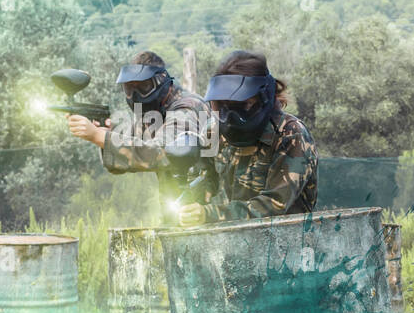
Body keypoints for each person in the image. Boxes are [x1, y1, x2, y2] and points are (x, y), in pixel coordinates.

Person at [65, 51, 215, 224]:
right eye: (130, 89)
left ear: (161, 81)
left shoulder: (188, 108)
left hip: (209, 213)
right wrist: (107, 132)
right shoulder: (155, 112)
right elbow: (127, 156)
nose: (136, 96)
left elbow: (161, 153)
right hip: (180, 211)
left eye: (143, 87)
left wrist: (99, 136)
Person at [177, 51, 318, 227]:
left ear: (262, 98)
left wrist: (209, 214)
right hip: (229, 242)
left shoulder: (290, 135)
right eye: (220, 106)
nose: (228, 116)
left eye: (240, 105)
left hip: (286, 244)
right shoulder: (214, 132)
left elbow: (273, 206)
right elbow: (206, 179)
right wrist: (190, 203)